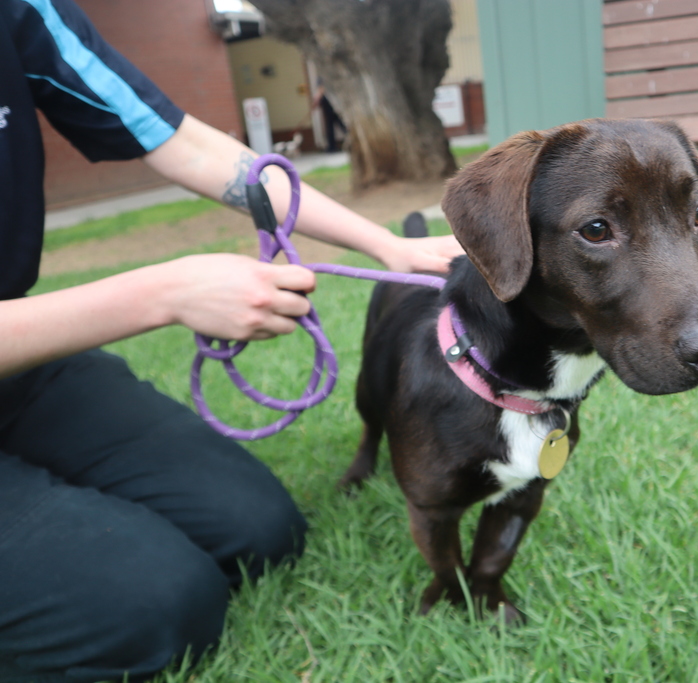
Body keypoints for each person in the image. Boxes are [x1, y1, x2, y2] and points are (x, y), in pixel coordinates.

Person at [0, 1, 463, 681]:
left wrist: (385, 244)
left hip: (23, 365)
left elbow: (186, 144)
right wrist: (164, 293)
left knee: (259, 531)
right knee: (151, 608)